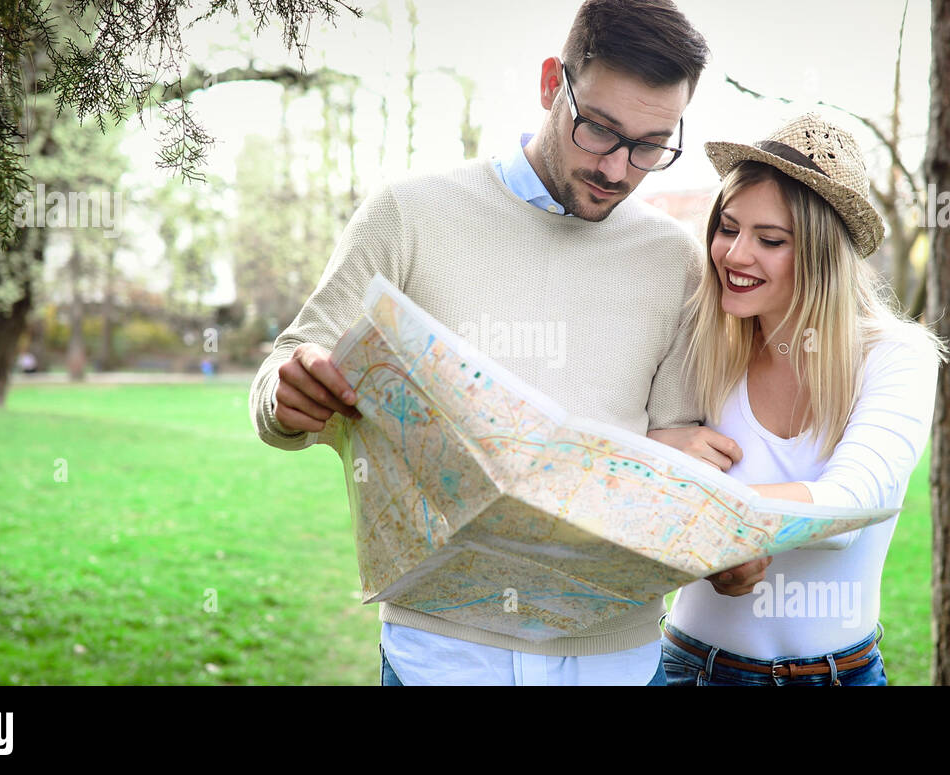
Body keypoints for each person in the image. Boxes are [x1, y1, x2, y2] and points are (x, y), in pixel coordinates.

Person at [248, 0, 714, 685]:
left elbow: (677, 442)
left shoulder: (675, 259)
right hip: (443, 651)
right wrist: (286, 398)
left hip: (618, 654)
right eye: (599, 130)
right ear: (552, 84)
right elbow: (285, 370)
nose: (618, 169)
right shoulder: (409, 213)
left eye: (651, 146)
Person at [647, 113, 947, 686]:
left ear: (821, 252)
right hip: (691, 668)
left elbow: (848, 509)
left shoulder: (896, 356)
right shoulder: (701, 344)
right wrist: (658, 449)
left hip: (839, 675)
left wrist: (714, 515)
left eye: (770, 240)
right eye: (728, 228)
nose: (735, 255)